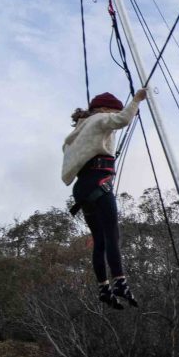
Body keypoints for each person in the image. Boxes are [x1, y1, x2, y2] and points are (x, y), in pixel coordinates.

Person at [61, 87, 145, 308]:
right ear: (106, 108)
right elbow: (123, 119)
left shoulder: (77, 131)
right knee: (112, 235)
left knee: (99, 240)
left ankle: (103, 288)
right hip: (100, 181)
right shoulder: (101, 118)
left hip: (82, 188)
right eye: (111, 111)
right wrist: (137, 99)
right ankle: (120, 282)